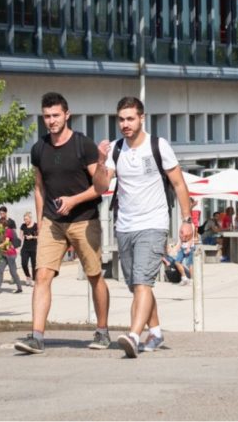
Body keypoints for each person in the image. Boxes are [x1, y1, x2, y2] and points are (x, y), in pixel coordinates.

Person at [92, 96, 192, 359]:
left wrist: (186, 220)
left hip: (154, 223)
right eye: (121, 119)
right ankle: (156, 331)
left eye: (130, 119)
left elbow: (179, 184)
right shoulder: (115, 149)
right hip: (124, 225)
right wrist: (101, 161)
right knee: (137, 285)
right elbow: (101, 187)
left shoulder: (158, 146)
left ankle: (134, 335)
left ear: (141, 118)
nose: (125, 124)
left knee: (142, 282)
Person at [14, 92, 109, 355]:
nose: (51, 121)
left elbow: (100, 187)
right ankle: (36, 336)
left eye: (56, 115)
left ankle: (102, 331)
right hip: (52, 223)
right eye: (47, 116)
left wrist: (74, 200)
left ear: (67, 115)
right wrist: (41, 221)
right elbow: (39, 188)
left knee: (94, 275)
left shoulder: (83, 145)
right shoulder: (39, 148)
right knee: (41, 275)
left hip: (83, 219)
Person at [0, 218, 23, 294]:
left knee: (13, 272)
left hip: (11, 254)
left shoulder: (8, 231)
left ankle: (19, 288)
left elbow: (6, 242)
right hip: (4, 254)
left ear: (3, 224)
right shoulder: (1, 232)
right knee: (0, 270)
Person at [19, 212, 38, 285]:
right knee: (23, 263)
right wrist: (18, 247)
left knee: (34, 264)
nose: (25, 221)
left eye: (26, 219)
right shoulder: (23, 226)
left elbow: (39, 236)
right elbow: (20, 237)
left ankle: (34, 279)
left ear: (30, 218)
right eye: (24, 219)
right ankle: (28, 276)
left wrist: (32, 237)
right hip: (25, 248)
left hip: (34, 248)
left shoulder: (35, 226)